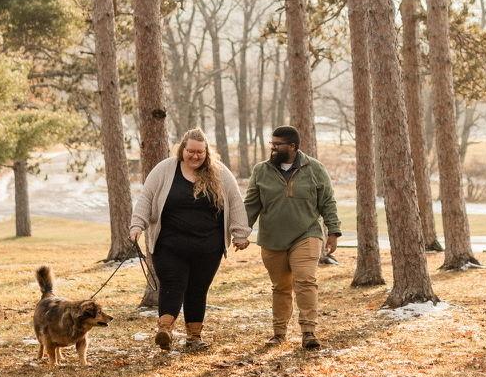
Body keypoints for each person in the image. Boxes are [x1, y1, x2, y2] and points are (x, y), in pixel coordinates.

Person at [130, 128, 251, 351]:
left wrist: (240, 233)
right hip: (169, 245)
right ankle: (165, 330)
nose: (195, 156)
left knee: (197, 289)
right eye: (190, 151)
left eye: (200, 152)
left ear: (207, 152)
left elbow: (235, 202)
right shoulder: (165, 169)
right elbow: (146, 197)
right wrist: (137, 224)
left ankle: (194, 337)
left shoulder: (220, 173)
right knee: (172, 283)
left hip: (208, 247)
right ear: (182, 150)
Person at [244, 125, 341, 350]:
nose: (273, 148)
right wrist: (241, 232)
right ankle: (279, 333)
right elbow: (251, 204)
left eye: (278, 145)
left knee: (305, 279)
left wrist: (333, 231)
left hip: (307, 234)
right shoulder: (261, 170)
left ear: (293, 146)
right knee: (280, 287)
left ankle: (308, 332)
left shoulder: (315, 168)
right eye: (272, 144)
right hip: (273, 238)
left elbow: (328, 201)